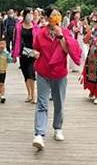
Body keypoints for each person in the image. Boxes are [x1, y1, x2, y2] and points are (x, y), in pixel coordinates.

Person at [31, 8, 81, 150]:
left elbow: (68, 50)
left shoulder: (64, 32)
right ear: (47, 18)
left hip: (59, 72)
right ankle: (39, 134)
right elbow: (36, 49)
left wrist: (60, 36)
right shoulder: (41, 33)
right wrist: (35, 54)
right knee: (42, 103)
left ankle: (58, 128)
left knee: (58, 102)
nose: (56, 17)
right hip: (43, 71)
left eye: (58, 14)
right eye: (53, 15)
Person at [12, 8, 40, 104]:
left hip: (33, 52)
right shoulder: (19, 26)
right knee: (26, 74)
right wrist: (14, 54)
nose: (31, 15)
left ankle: (34, 95)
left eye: (32, 13)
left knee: (31, 73)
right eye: (29, 13)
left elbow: (39, 40)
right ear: (25, 14)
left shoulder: (36, 27)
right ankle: (29, 94)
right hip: (23, 52)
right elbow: (15, 40)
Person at [67, 9, 84, 73]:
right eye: (77, 14)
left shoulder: (79, 22)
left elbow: (81, 31)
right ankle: (74, 66)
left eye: (79, 14)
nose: (78, 15)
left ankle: (78, 65)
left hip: (79, 38)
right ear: (74, 15)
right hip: (74, 39)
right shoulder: (72, 22)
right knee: (74, 51)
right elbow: (74, 30)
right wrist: (79, 26)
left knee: (80, 51)